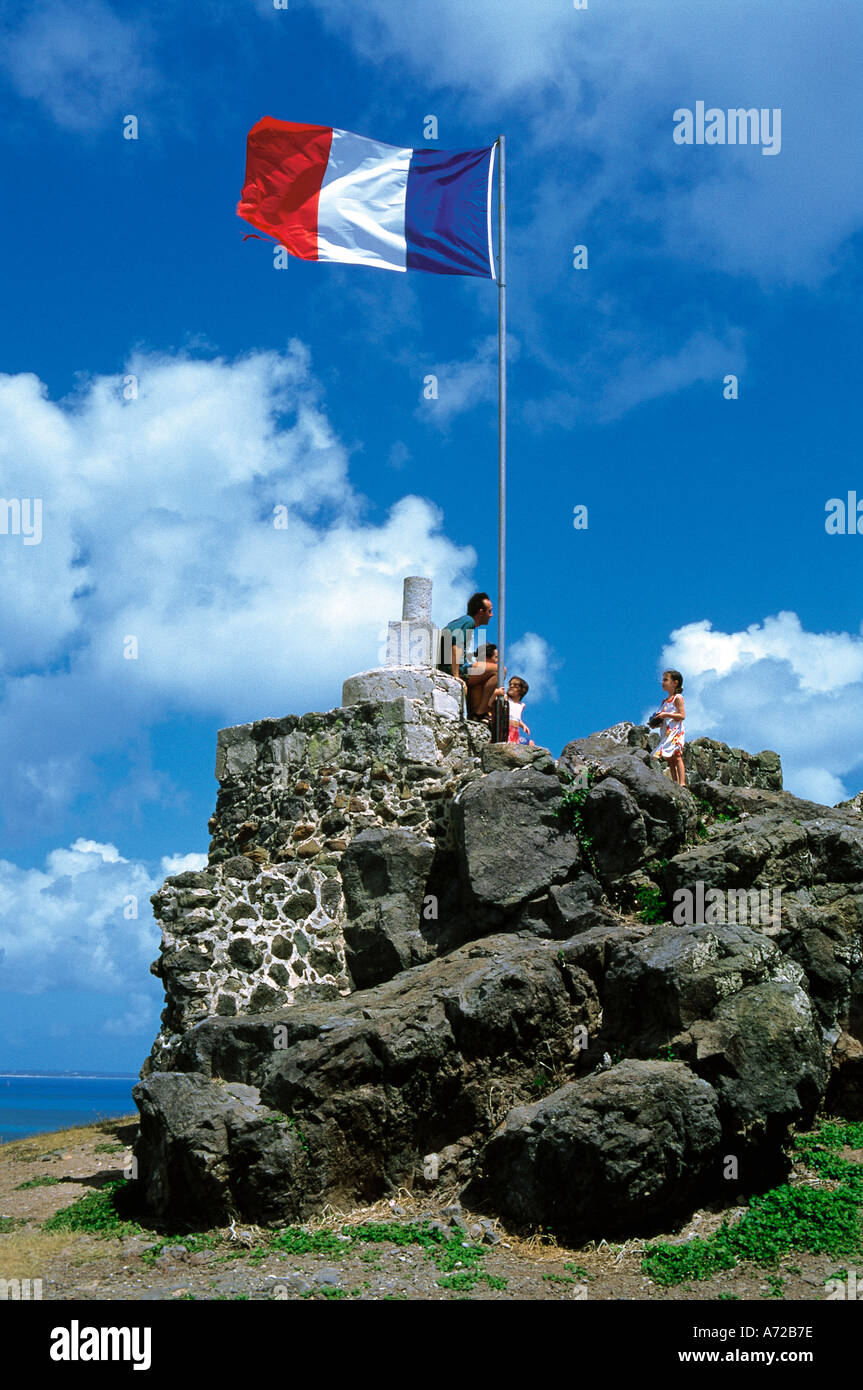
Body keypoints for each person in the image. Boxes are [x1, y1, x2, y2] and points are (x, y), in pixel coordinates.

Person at [438, 592, 504, 721]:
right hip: (455, 668)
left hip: (457, 666)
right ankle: (480, 712)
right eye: (489, 611)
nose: (492, 615)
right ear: (481, 612)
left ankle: (474, 716)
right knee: (500, 670)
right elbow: (454, 646)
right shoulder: (468, 622)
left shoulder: (464, 623)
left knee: (482, 682)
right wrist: (456, 676)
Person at [649, 669, 686, 785]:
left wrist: (666, 715)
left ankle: (682, 783)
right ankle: (675, 782)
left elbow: (682, 715)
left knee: (677, 755)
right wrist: (655, 722)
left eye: (666, 680)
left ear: (675, 683)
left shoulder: (678, 698)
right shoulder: (664, 702)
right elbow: (662, 718)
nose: (663, 682)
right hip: (666, 732)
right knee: (669, 759)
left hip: (675, 731)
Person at [506, 676, 533, 745]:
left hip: (514, 730)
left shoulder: (521, 705)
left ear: (522, 690)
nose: (511, 686)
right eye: (510, 684)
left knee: (530, 743)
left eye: (515, 685)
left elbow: (517, 718)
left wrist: (523, 725)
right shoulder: (506, 699)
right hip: (505, 728)